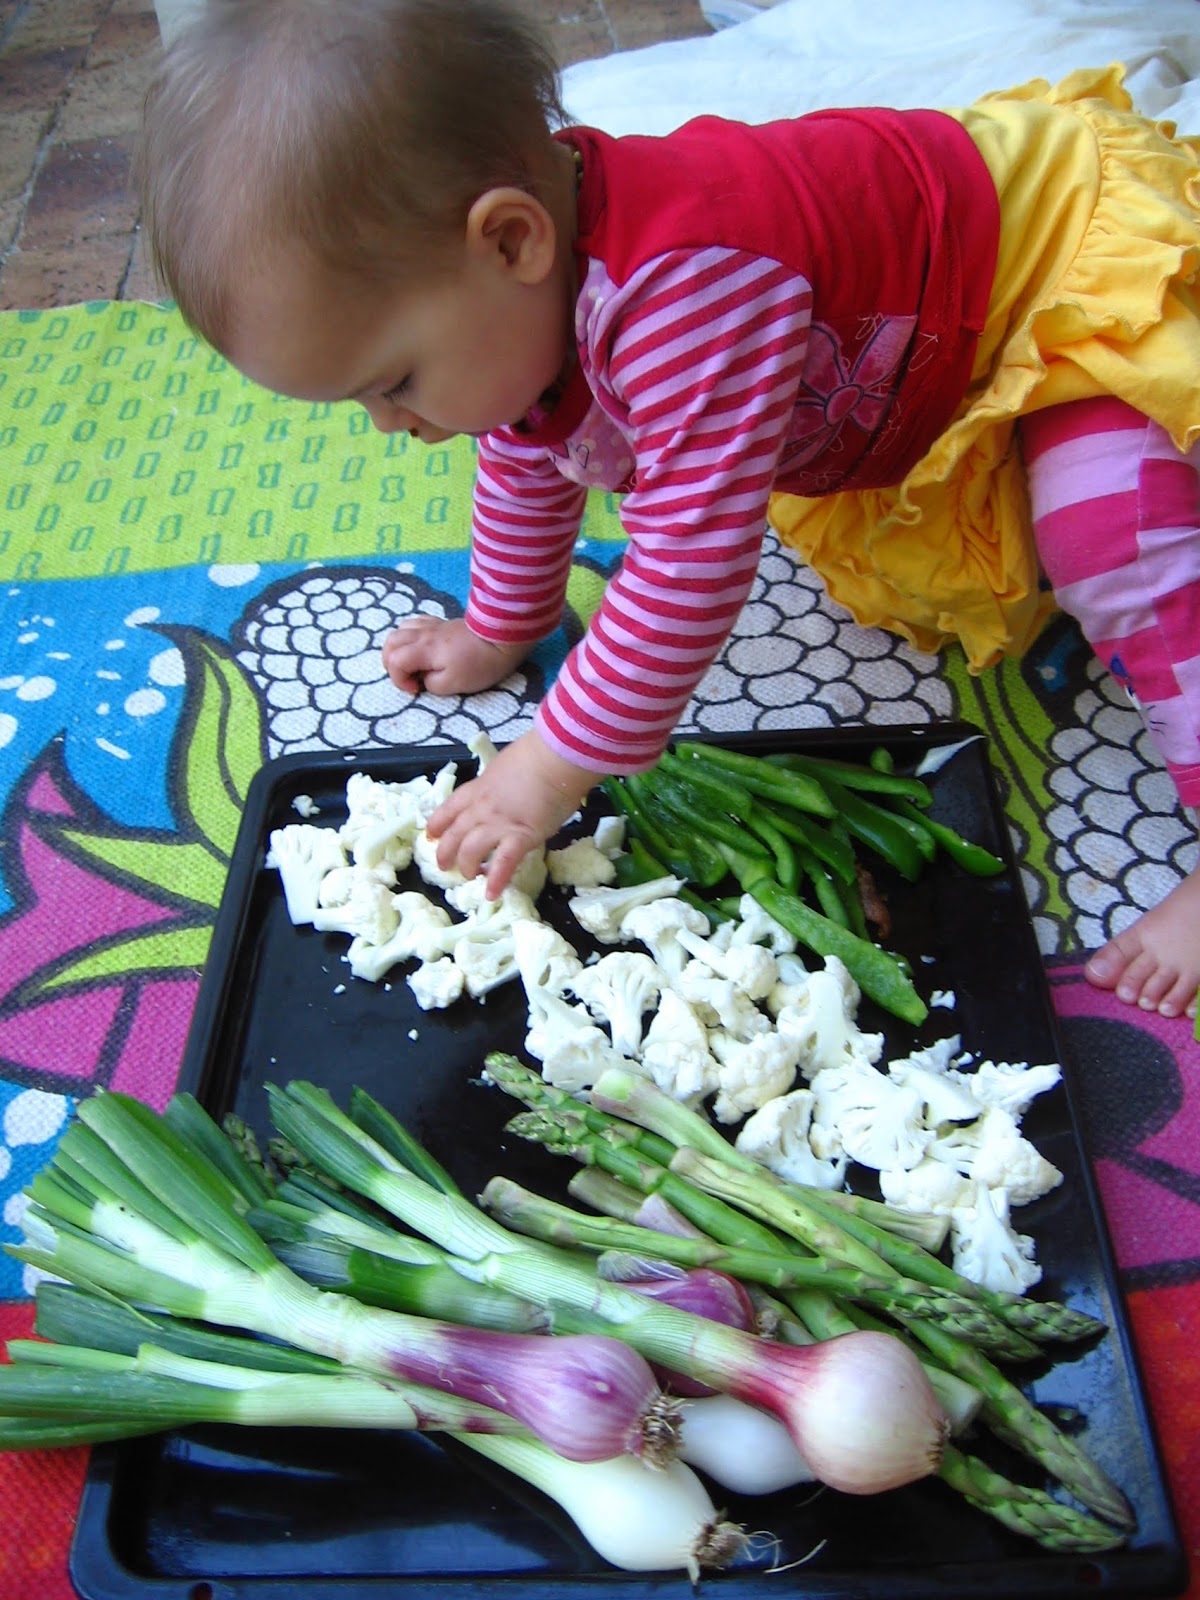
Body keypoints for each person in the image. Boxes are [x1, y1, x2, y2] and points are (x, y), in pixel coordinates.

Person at [137, 0, 1200, 1019]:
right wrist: (502, 625)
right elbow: (529, 444)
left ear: (510, 243)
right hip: (932, 345)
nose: (389, 424)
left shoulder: (689, 288)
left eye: (395, 381)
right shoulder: (524, 302)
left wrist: (548, 768)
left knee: (1115, 536)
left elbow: (690, 567)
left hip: (1053, 268)